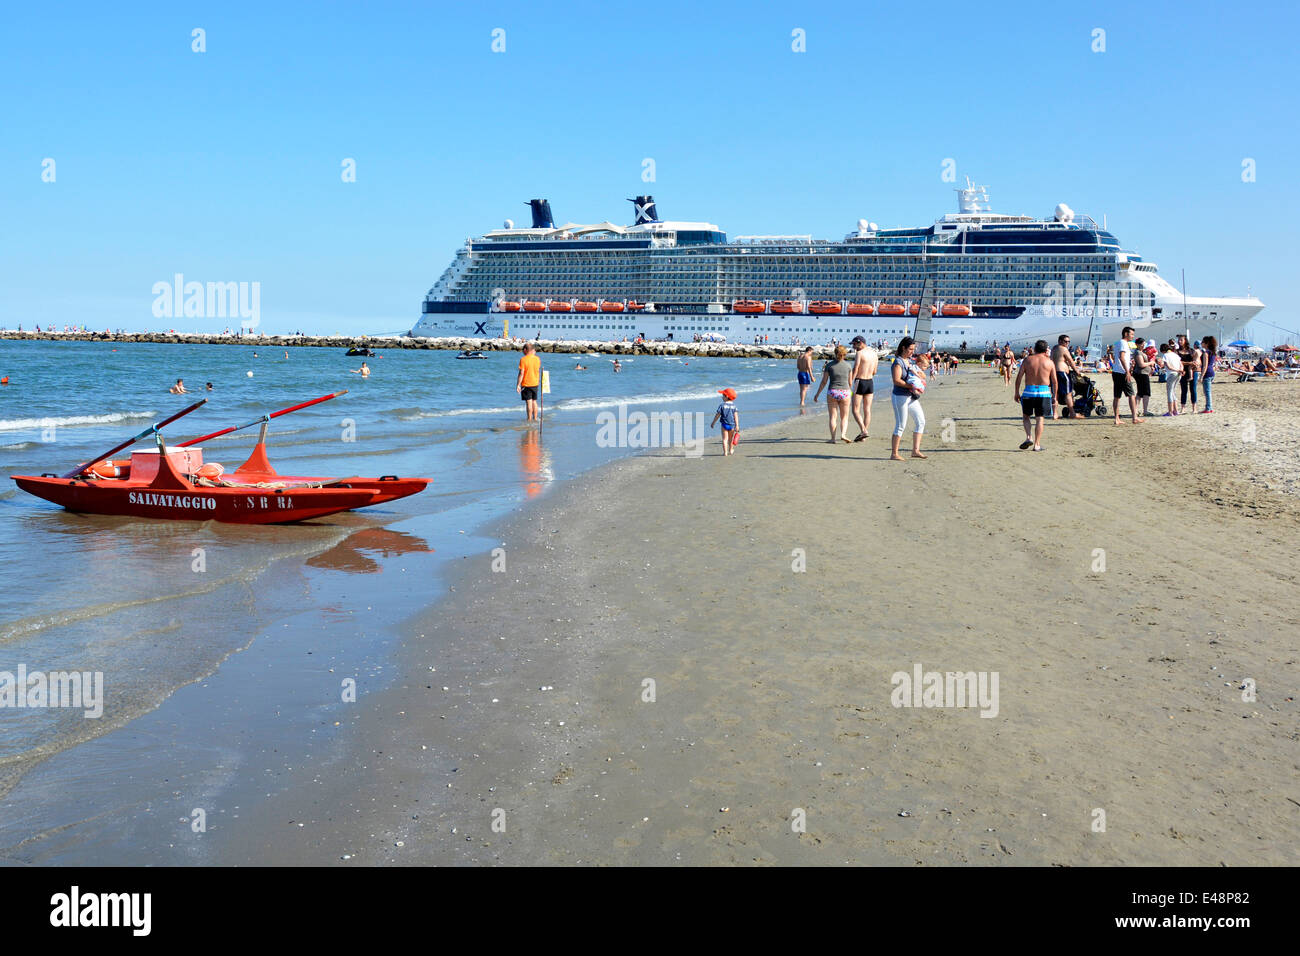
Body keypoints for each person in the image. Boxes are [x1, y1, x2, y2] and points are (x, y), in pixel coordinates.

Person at [1014, 340, 1056, 451]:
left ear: (1035, 348)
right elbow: (1055, 381)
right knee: (1039, 418)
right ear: (1046, 349)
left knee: (1026, 416)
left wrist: (1016, 392)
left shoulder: (1027, 360)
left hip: (1029, 391)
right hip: (1044, 392)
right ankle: (1037, 445)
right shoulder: (1049, 362)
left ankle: (1029, 437)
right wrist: (1055, 396)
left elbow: (1019, 377)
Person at [889, 337, 927, 460]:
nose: (912, 351)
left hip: (910, 396)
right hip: (900, 396)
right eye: (910, 349)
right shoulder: (898, 362)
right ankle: (894, 454)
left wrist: (920, 376)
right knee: (901, 425)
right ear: (903, 348)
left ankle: (915, 451)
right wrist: (911, 385)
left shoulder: (909, 361)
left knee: (921, 421)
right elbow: (896, 380)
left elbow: (916, 373)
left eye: (913, 349)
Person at [813, 344, 854, 443]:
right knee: (844, 417)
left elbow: (824, 382)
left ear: (835, 353)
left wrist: (817, 394)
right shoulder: (848, 366)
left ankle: (833, 438)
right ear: (845, 354)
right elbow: (850, 382)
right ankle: (843, 434)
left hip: (832, 392)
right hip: (845, 392)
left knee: (833, 417)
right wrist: (850, 392)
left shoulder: (829, 365)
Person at [849, 337, 878, 441]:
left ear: (860, 343)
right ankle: (863, 435)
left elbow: (855, 368)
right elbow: (875, 371)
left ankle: (863, 430)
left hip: (860, 381)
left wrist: (850, 382)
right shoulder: (874, 353)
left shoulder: (860, 353)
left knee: (855, 409)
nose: (853, 347)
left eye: (854, 345)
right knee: (867, 409)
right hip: (870, 382)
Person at [1111, 326, 1141, 425]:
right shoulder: (1123, 343)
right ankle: (1134, 417)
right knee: (1131, 395)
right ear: (1126, 334)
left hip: (1116, 371)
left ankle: (1116, 418)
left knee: (1117, 396)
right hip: (1122, 372)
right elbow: (1122, 357)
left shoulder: (1118, 343)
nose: (1133, 336)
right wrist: (1127, 371)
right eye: (1131, 334)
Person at [1050, 334, 1082, 419]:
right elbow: (1071, 361)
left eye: (1068, 341)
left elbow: (1053, 359)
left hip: (1053, 372)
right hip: (1062, 373)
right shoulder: (1063, 349)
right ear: (1060, 341)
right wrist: (1077, 371)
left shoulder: (1054, 348)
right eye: (1065, 341)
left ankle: (1055, 414)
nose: (1067, 343)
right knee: (1068, 393)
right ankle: (1072, 413)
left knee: (1055, 393)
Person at [710, 387, 740, 456]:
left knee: (724, 439)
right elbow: (736, 416)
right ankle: (731, 450)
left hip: (724, 425)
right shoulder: (734, 406)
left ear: (726, 396)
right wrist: (737, 425)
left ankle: (725, 452)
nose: (722, 397)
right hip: (732, 425)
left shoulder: (722, 405)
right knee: (731, 439)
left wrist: (713, 422)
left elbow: (717, 415)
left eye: (723, 395)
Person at [517, 343, 542, 422]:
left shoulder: (523, 359)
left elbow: (521, 373)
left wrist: (518, 385)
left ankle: (529, 419)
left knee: (529, 402)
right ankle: (535, 418)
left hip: (526, 383)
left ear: (525, 350)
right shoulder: (537, 359)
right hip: (535, 383)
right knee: (534, 401)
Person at [1132, 337, 1153, 417]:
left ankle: (1137, 410)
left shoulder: (1141, 352)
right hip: (1141, 373)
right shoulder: (1138, 352)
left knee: (1141, 392)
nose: (1143, 345)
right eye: (1142, 344)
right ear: (1137, 344)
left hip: (1143, 373)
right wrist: (1150, 363)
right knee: (1145, 392)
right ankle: (1144, 410)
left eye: (1144, 343)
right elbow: (1141, 364)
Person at [1160, 341, 1183, 415]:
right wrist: (1180, 370)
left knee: (1169, 392)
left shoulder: (1166, 355)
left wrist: (1177, 370)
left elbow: (1168, 366)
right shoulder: (1175, 355)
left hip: (1171, 374)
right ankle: (1176, 411)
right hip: (1178, 374)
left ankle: (1170, 411)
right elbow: (1181, 364)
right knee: (1173, 392)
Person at [1200, 336, 1218, 413]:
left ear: (1206, 344)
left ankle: (1208, 408)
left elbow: (1205, 366)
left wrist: (1201, 376)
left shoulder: (1206, 353)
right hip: (1211, 372)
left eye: (1203, 342)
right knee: (1208, 391)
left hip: (1207, 373)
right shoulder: (1213, 352)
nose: (1201, 343)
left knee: (1207, 391)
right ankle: (1209, 407)